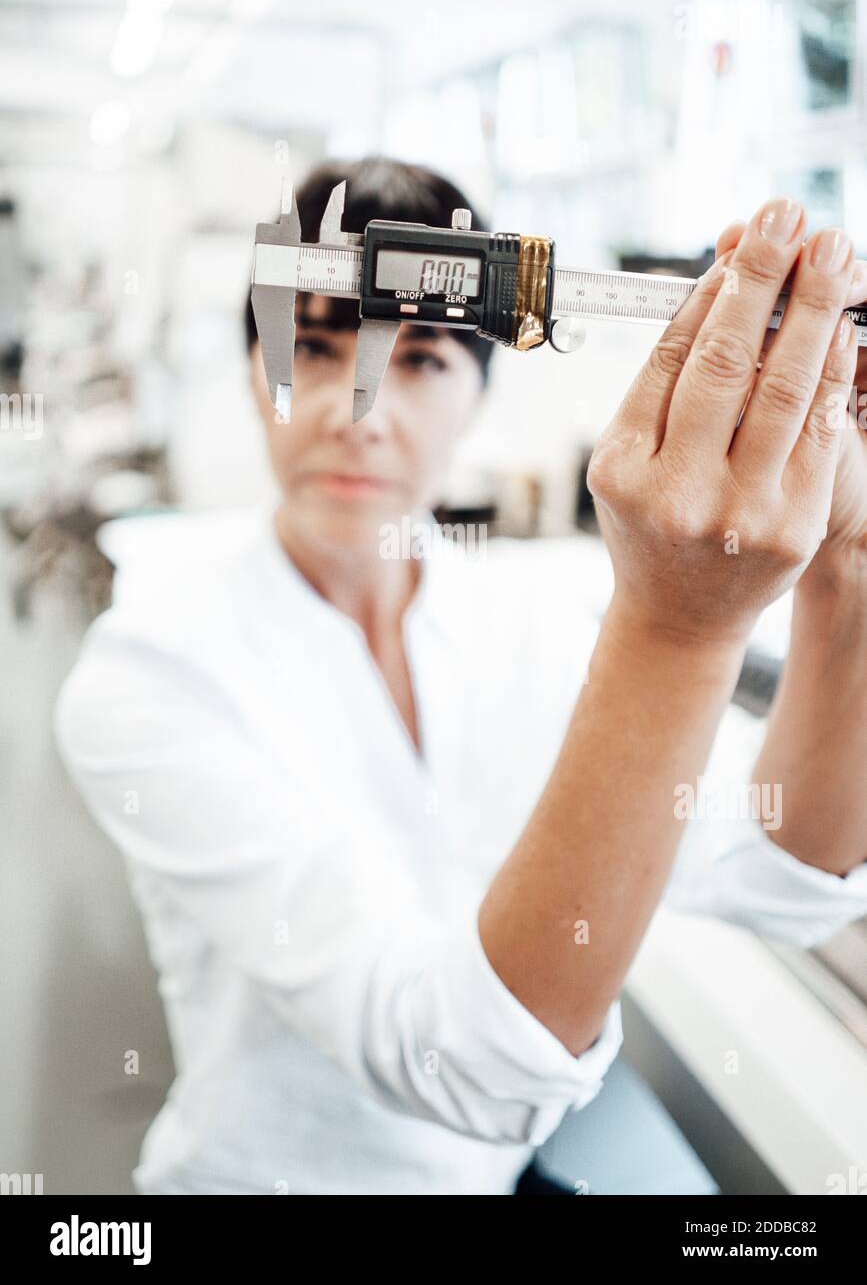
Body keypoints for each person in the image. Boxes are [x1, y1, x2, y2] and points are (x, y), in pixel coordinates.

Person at [55, 156, 867, 1196]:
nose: (357, 413)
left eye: (422, 359)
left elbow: (785, 870)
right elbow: (456, 1061)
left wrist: (846, 575)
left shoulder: (526, 616)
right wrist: (676, 633)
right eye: (311, 347)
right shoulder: (148, 675)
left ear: (482, 392)